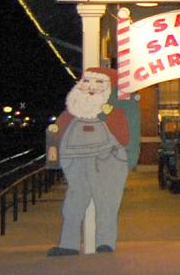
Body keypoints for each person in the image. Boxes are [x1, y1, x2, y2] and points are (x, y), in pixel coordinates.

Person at [45, 67, 129, 256]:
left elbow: (123, 138)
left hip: (107, 160)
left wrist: (109, 115)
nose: (91, 88)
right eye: (87, 82)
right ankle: (68, 244)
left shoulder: (113, 113)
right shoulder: (70, 114)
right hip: (76, 162)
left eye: (99, 83)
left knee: (107, 202)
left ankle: (105, 242)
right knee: (74, 202)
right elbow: (56, 132)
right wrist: (53, 143)